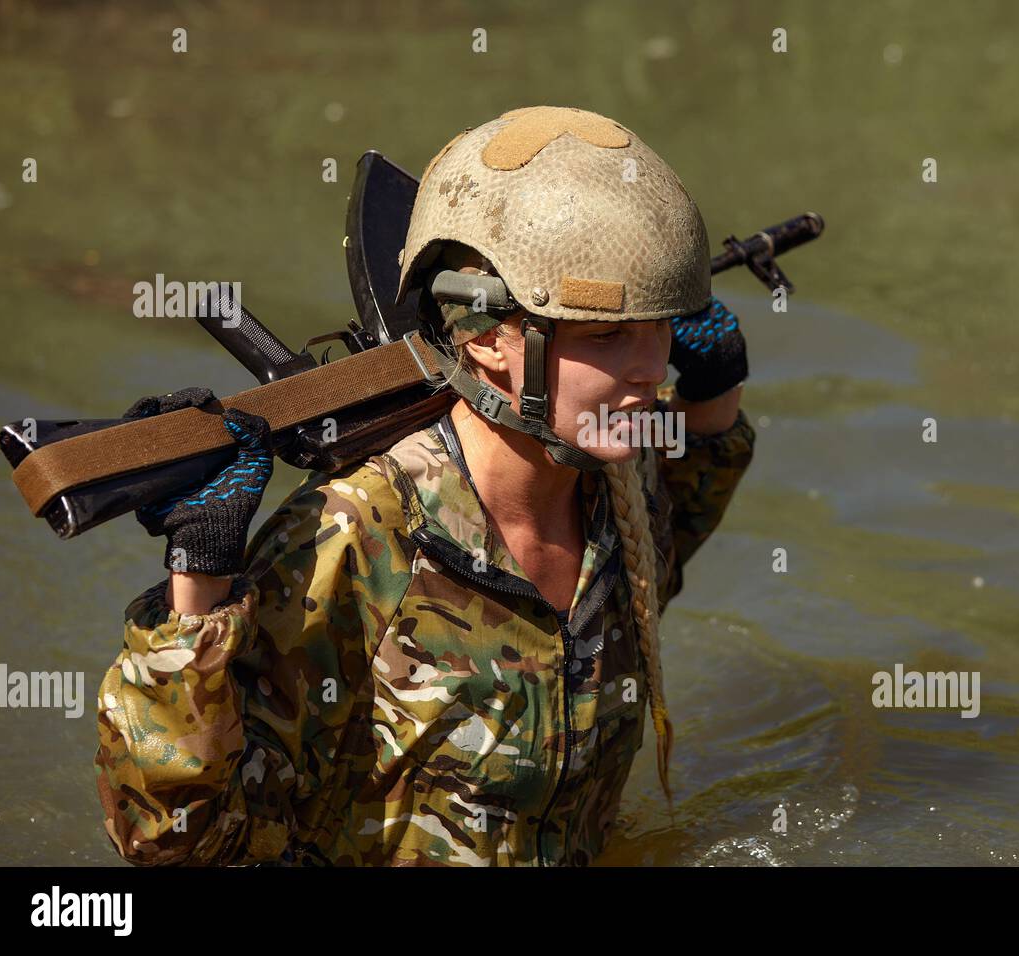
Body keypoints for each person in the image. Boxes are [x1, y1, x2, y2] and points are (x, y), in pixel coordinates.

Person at [94, 106, 756, 866]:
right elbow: (177, 844)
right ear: (487, 336)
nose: (649, 368)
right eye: (608, 335)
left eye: (662, 329)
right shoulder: (359, 537)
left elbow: (670, 539)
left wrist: (717, 387)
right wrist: (199, 580)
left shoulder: (616, 488)